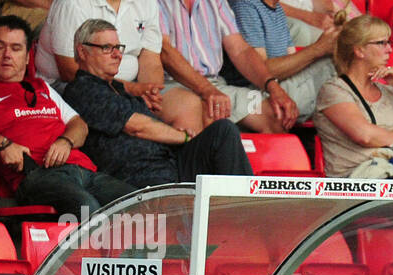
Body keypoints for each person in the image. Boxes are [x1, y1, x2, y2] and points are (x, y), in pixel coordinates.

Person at [0, 16, 137, 217]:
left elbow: (79, 125)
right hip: (39, 176)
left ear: (27, 57)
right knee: (87, 207)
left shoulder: (42, 88)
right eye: (0, 47)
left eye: (16, 48)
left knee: (141, 205)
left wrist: (66, 142)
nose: (7, 55)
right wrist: (3, 144)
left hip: (84, 170)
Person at [62, 18, 254, 187]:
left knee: (222, 131)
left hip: (170, 166)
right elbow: (137, 127)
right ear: (83, 51)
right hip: (138, 178)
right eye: (107, 48)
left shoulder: (119, 90)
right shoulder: (82, 89)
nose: (117, 54)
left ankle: (246, 209)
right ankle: (243, 216)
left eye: (118, 48)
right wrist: (184, 138)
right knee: (221, 132)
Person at [154, 0, 300, 135]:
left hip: (215, 85)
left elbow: (240, 49)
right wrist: (206, 90)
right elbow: (165, 52)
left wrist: (272, 87)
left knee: (276, 114)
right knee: (192, 110)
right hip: (171, 85)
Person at [314, 14, 393, 178]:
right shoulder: (333, 90)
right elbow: (365, 136)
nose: (389, 49)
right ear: (359, 50)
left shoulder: (390, 92)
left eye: (388, 42)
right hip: (355, 180)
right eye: (381, 43)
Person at [36, 0, 165, 110]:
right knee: (137, 124)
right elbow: (70, 72)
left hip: (132, 89)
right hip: (72, 89)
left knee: (182, 110)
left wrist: (151, 93)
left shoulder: (147, 2)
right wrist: (130, 89)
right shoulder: (72, 3)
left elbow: (151, 61)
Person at [227, 0, 338, 120]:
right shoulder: (246, 6)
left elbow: (292, 58)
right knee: (332, 62)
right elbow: (261, 71)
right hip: (260, 94)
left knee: (340, 52)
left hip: (280, 85)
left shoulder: (276, 7)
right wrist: (318, 49)